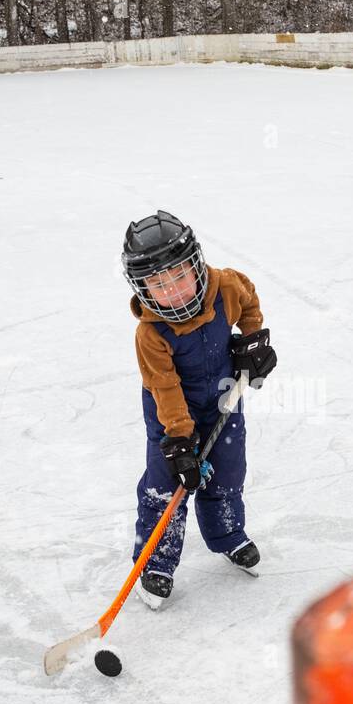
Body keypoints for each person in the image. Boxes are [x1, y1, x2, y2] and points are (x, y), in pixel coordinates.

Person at [122, 210, 277, 608]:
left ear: (195, 264)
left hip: (224, 397)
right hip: (170, 410)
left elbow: (249, 301)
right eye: (157, 285)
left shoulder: (224, 286)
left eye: (178, 276)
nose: (172, 291)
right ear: (141, 288)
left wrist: (253, 341)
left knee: (227, 470)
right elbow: (164, 386)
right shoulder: (151, 334)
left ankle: (228, 533)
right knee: (168, 483)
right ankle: (154, 563)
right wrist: (178, 441)